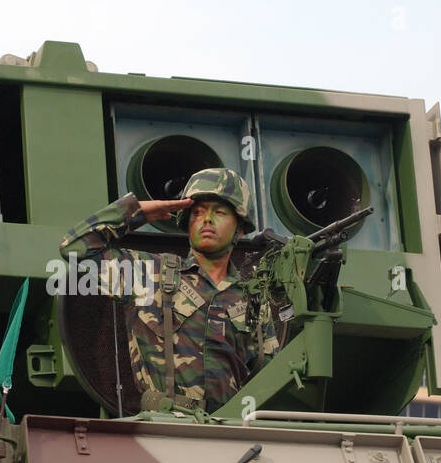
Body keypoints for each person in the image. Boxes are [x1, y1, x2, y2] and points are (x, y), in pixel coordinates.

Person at [59, 167, 279, 413]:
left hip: (228, 429)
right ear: (187, 223)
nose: (207, 219)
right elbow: (76, 249)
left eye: (219, 212)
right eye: (197, 212)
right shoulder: (148, 274)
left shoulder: (252, 298)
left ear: (239, 229)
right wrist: (138, 212)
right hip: (164, 426)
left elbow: (268, 377)